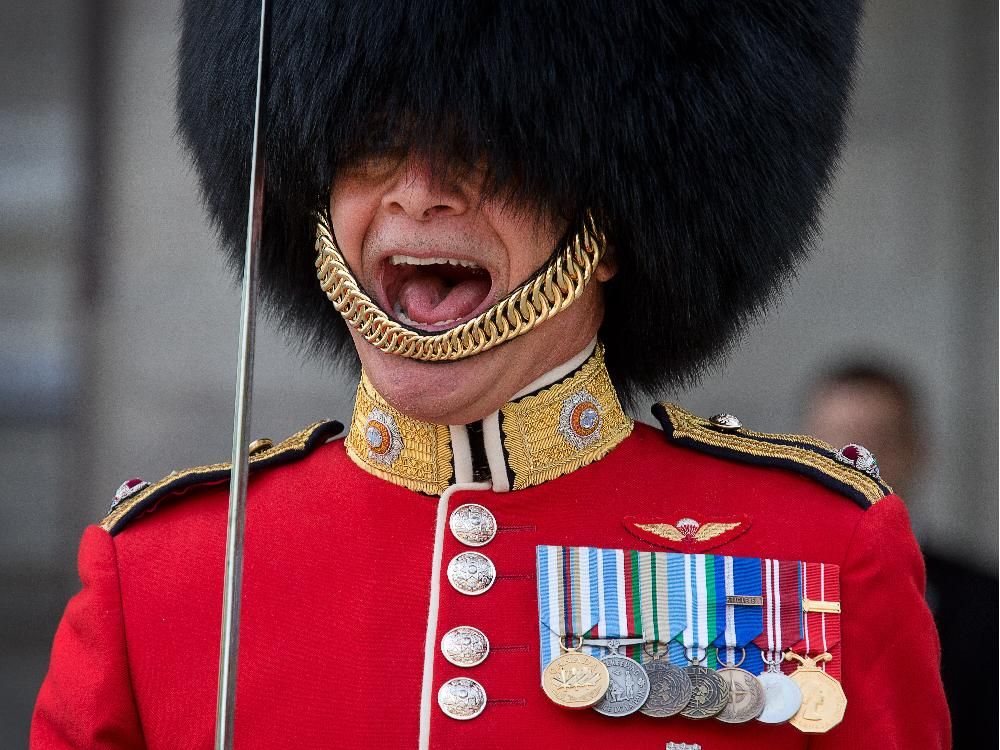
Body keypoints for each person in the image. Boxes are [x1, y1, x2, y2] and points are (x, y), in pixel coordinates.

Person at [32, 2, 950, 748]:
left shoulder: (820, 548)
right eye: (371, 141)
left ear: (608, 230)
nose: (420, 189)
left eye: (489, 146)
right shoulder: (162, 571)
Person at [803, 359, 996, 750]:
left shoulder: (987, 600)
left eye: (879, 443)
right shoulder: (764, 584)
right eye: (836, 446)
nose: (858, 469)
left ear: (917, 450)